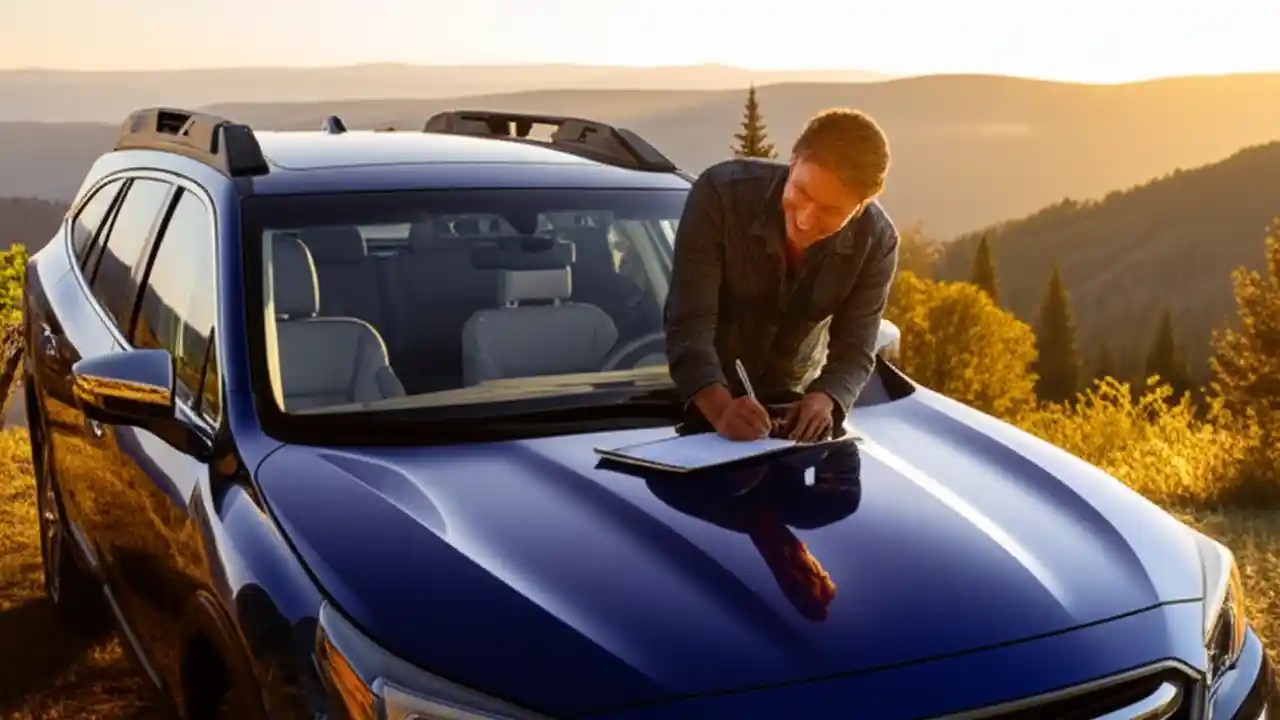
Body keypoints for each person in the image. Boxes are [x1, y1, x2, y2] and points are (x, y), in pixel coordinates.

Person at [664, 108, 899, 442]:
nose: (805, 219)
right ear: (793, 162)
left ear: (860, 207)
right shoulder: (721, 196)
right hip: (686, 414)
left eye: (830, 211)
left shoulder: (877, 242)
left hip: (793, 427)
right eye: (802, 193)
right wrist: (721, 410)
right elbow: (689, 325)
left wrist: (826, 398)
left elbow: (855, 349)